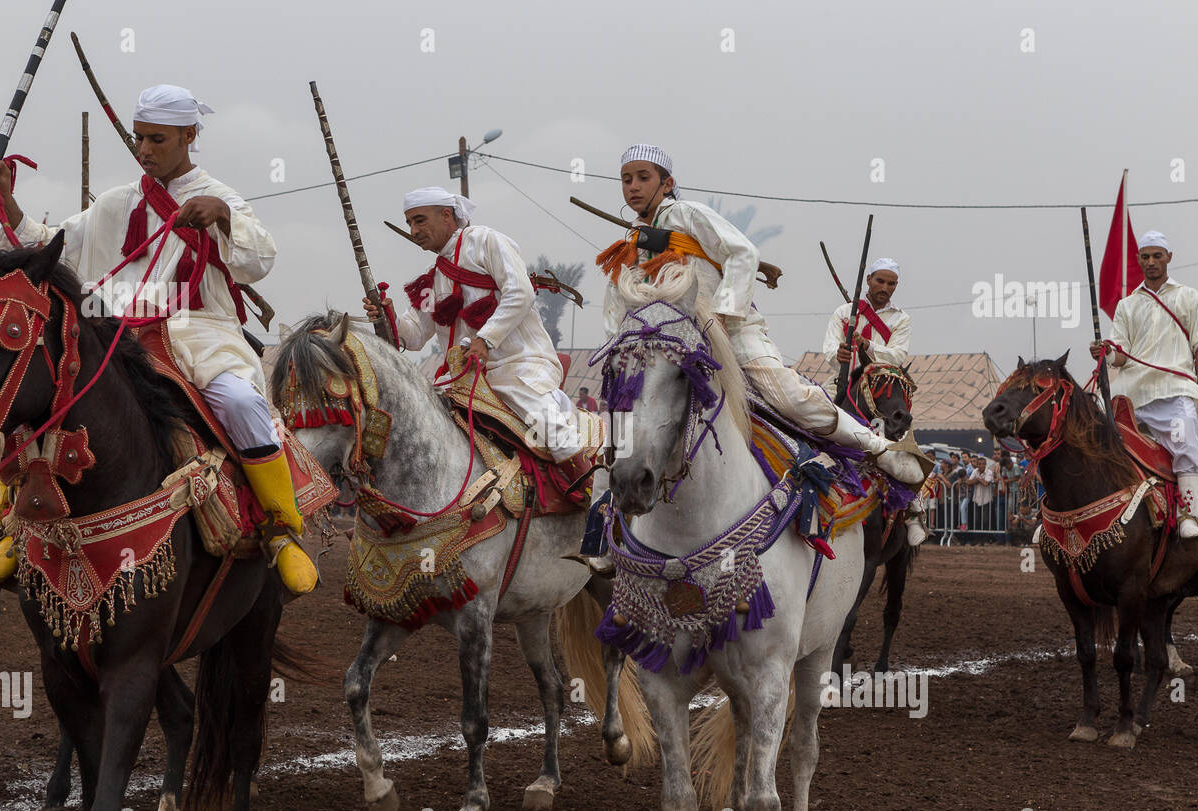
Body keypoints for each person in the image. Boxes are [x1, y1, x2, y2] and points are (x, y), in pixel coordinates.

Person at [0, 84, 317, 593]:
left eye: (157, 139)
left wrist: (222, 216)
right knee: (40, 396)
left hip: (199, 336)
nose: (143, 150)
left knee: (241, 400)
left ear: (189, 136)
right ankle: (18, 521)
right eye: (139, 139)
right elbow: (54, 245)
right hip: (119, 335)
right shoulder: (118, 202)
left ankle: (280, 527)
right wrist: (7, 201)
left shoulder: (221, 197)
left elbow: (260, 258)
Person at [598, 144, 924, 489]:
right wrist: (618, 347)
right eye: (626, 180)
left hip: (730, 331)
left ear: (666, 184)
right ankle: (603, 504)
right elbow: (616, 299)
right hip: (669, 347)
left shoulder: (687, 214)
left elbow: (743, 252)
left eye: (643, 178)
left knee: (790, 395)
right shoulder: (631, 240)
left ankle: (881, 449)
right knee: (620, 412)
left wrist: (722, 316)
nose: (633, 186)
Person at [362, 186, 591, 496]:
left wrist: (485, 339)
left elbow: (520, 292)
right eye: (410, 225)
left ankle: (594, 499)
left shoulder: (486, 241)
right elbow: (415, 335)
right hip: (461, 381)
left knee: (546, 420)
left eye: (419, 220)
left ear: (446, 215)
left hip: (516, 366)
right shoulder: (434, 278)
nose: (414, 231)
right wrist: (385, 314)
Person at [1091, 230, 1198, 538]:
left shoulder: (1187, 297)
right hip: (1131, 395)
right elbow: (1120, 352)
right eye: (1145, 256)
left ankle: (1189, 514)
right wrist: (1106, 351)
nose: (1151, 262)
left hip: (1175, 389)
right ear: (1138, 260)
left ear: (1168, 258)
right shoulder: (1127, 305)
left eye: (1156, 256)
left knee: (1185, 437)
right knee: (1090, 438)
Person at [822, 257, 926, 544]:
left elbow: (897, 356)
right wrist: (839, 354)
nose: (885, 287)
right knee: (810, 425)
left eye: (891, 283)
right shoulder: (844, 313)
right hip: (842, 385)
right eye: (880, 281)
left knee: (903, 439)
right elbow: (829, 347)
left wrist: (868, 345)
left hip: (882, 389)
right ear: (869, 280)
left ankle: (914, 510)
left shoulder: (901, 319)